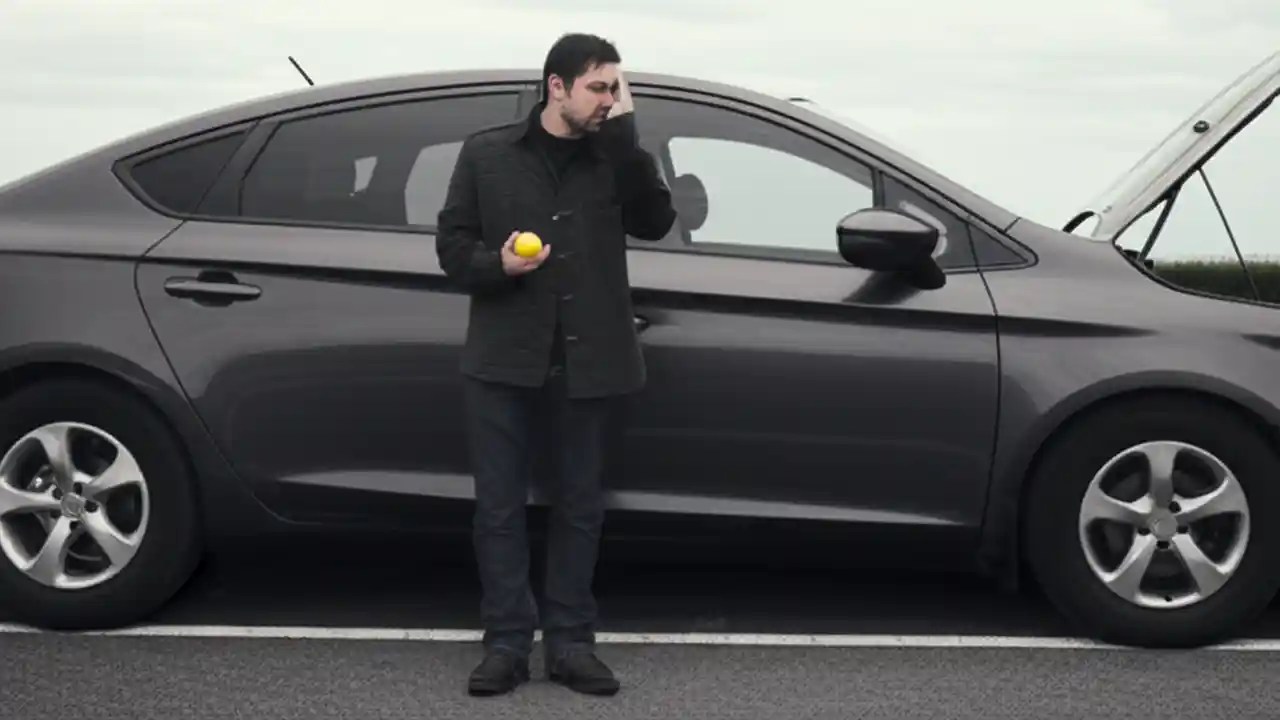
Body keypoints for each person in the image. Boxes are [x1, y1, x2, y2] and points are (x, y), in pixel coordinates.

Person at [435, 33, 677, 697]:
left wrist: (627, 142)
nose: (610, 100)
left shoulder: (619, 158)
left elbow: (657, 223)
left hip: (590, 358)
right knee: (500, 508)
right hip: (502, 357)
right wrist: (497, 265)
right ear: (557, 87)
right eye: (600, 88)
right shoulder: (487, 154)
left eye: (617, 88)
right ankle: (507, 644)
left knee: (579, 506)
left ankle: (571, 643)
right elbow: (452, 245)